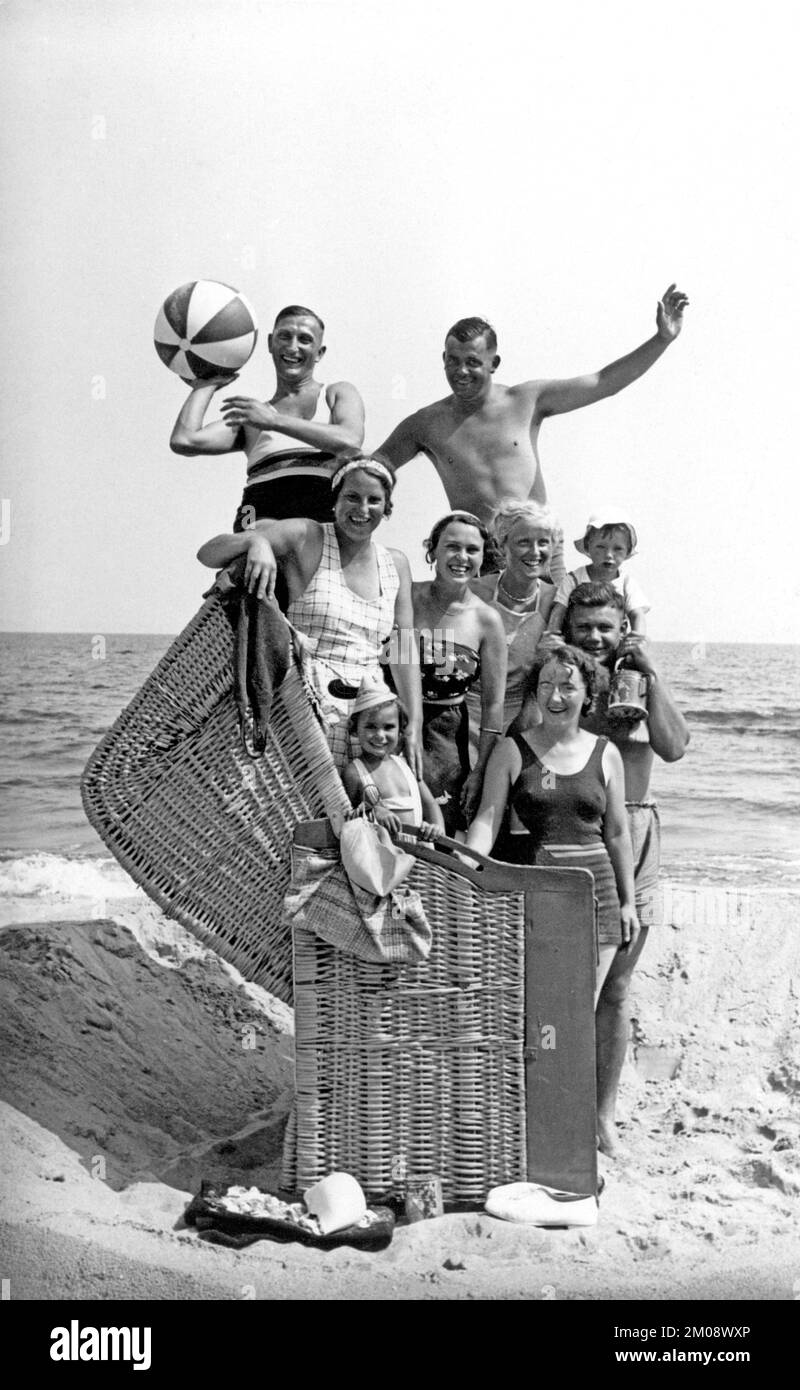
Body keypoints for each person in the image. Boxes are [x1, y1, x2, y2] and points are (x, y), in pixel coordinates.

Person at [374, 286, 689, 581]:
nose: (461, 371)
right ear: (443, 359)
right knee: (481, 637)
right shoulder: (425, 423)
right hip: (479, 553)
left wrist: (661, 340)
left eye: (473, 362)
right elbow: (371, 471)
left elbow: (603, 382)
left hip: (539, 545)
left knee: (548, 631)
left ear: (494, 362)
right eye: (453, 361)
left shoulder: (526, 401)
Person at [541, 581, 690, 1155]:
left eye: (607, 627)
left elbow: (675, 747)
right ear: (570, 628)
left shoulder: (635, 680)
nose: (597, 638)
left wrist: (651, 671)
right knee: (560, 984)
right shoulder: (562, 680)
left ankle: (602, 1117)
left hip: (636, 824)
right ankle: (555, 1105)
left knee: (617, 987)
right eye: (586, 628)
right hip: (573, 828)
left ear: (624, 630)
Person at [196, 457, 423, 774]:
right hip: (304, 712)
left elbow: (403, 649)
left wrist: (413, 723)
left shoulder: (395, 563)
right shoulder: (308, 537)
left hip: (371, 721)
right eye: (352, 497)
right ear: (335, 500)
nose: (362, 509)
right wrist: (255, 541)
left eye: (374, 500)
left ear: (387, 508)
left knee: (368, 819)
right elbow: (207, 553)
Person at [466, 644, 639, 1025]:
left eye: (567, 686)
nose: (555, 696)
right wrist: (464, 868)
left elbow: (617, 833)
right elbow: (486, 822)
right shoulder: (512, 751)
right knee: (537, 1013)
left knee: (579, 1016)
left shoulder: (606, 753)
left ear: (589, 695)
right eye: (545, 685)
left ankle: (571, 1086)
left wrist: (628, 902)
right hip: (535, 894)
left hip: (600, 899)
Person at [171, 304, 365, 529]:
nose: (293, 347)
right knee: (238, 542)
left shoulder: (336, 393)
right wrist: (204, 386)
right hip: (255, 525)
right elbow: (184, 440)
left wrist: (274, 421)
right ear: (270, 343)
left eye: (304, 339)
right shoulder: (252, 416)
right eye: (285, 336)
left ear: (319, 352)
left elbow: (350, 441)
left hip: (319, 533)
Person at [410, 512, 507, 836]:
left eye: (472, 550)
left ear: (483, 557)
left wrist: (480, 771)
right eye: (452, 547)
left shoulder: (486, 620)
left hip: (447, 738)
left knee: (440, 832)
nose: (461, 558)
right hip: (391, 725)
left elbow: (494, 706)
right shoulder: (406, 597)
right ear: (432, 550)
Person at [467, 499, 559, 749]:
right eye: (523, 542)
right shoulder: (474, 591)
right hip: (466, 711)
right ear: (501, 544)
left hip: (524, 717)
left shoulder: (556, 600)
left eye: (543, 542)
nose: (535, 551)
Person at [342, 675, 445, 837]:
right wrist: (375, 812)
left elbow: (430, 804)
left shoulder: (406, 766)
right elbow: (349, 816)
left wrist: (436, 829)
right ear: (355, 729)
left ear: (400, 730)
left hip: (420, 854)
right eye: (371, 727)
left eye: (388, 727)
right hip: (383, 855)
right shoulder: (354, 773)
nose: (380, 735)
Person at [548, 509, 649, 636]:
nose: (609, 555)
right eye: (601, 547)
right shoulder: (574, 579)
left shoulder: (626, 583)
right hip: (577, 641)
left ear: (627, 551)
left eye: (618, 549)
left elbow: (637, 614)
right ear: (588, 546)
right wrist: (552, 636)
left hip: (611, 644)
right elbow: (559, 610)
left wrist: (638, 639)